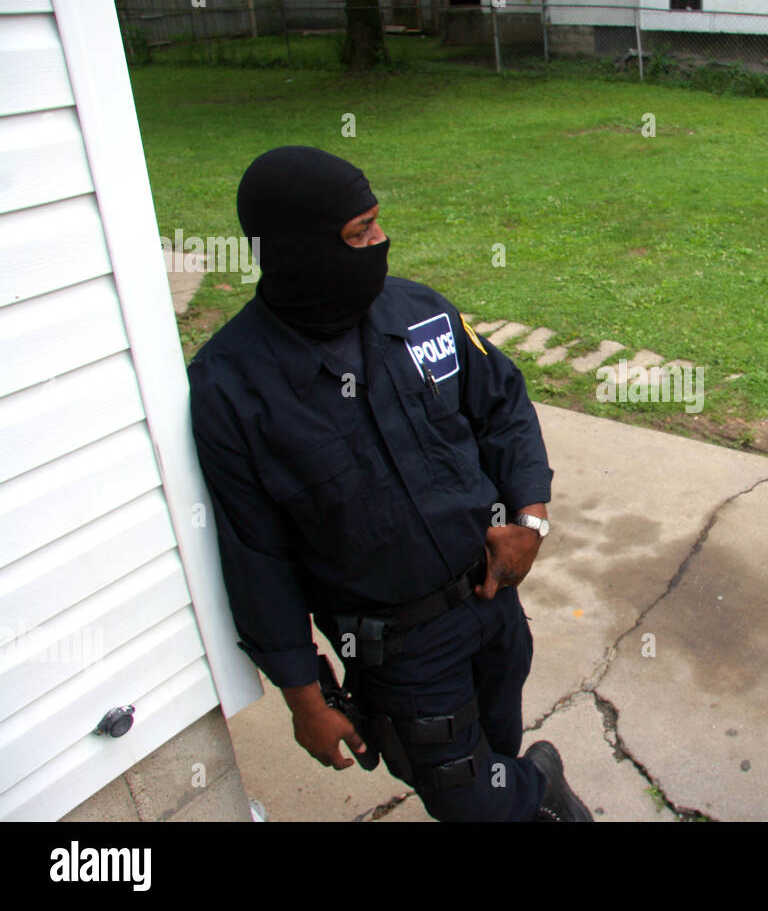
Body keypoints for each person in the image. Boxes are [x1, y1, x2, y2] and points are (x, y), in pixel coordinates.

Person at [188, 146, 591, 822]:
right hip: (397, 648)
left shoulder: (419, 310)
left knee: (495, 747)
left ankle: (525, 783)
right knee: (468, 800)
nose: (380, 243)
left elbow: (504, 407)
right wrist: (304, 699)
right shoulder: (232, 386)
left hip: (491, 599)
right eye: (359, 233)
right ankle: (543, 793)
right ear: (296, 248)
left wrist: (531, 522)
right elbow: (256, 557)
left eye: (377, 224)